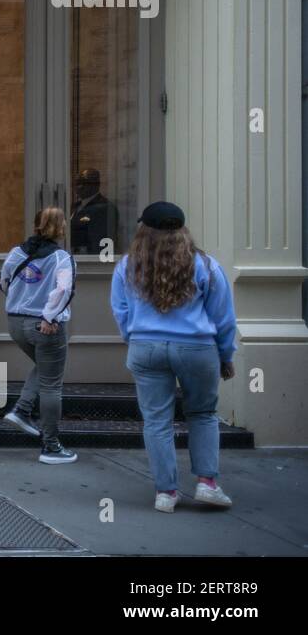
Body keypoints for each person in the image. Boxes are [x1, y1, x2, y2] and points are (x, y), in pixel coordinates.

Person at [111, 201, 237, 514]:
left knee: (156, 421)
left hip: (146, 347)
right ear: (182, 230)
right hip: (197, 348)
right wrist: (226, 355)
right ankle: (207, 483)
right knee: (203, 413)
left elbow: (121, 311)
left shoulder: (127, 266)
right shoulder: (206, 265)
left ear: (144, 230)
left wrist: (135, 338)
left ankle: (166, 493)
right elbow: (223, 318)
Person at [0, 206, 78, 464]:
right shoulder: (61, 258)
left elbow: (4, 283)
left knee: (44, 369)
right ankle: (51, 446)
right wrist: (49, 316)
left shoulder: (16, 253)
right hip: (45, 327)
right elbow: (64, 289)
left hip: (15, 323)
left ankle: (21, 410)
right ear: (61, 227)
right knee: (52, 384)